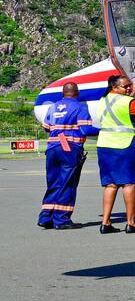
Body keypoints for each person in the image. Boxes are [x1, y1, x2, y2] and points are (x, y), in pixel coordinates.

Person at [91, 73, 135, 234]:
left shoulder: (103, 101)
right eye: (125, 86)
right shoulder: (128, 102)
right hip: (125, 145)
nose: (129, 88)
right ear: (114, 87)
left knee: (110, 185)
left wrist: (131, 96)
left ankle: (105, 222)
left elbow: (115, 113)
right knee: (129, 183)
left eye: (129, 86)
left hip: (105, 145)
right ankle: (131, 223)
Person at [37, 82, 96, 229]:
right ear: (77, 93)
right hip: (69, 148)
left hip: (52, 147)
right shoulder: (80, 107)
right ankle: (61, 219)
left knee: (53, 182)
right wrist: (105, 129)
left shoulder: (53, 107)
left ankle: (45, 217)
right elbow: (85, 129)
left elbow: (46, 127)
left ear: (63, 93)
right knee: (67, 183)